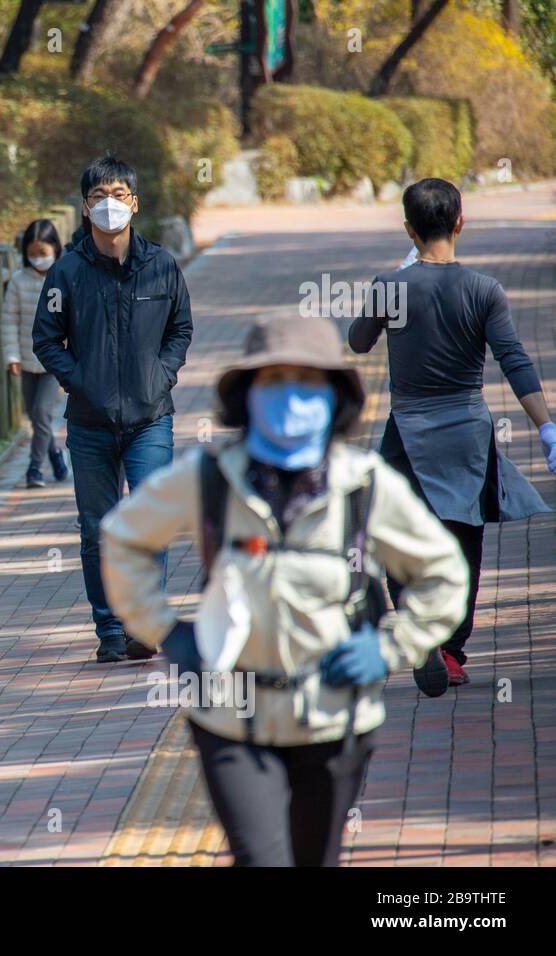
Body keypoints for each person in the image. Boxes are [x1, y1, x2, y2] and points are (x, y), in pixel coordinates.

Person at [100, 314, 469, 867]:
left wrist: (392, 646)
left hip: (334, 718)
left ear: (335, 396)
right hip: (230, 717)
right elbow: (123, 536)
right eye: (273, 382)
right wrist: (164, 631)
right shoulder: (209, 477)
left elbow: (444, 573)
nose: (290, 396)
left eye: (308, 381)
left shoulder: (364, 484)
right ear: (246, 396)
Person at [348, 178, 556, 693]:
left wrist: (389, 287)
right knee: (465, 542)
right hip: (467, 431)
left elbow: (357, 342)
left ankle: (420, 635)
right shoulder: (485, 290)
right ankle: (452, 650)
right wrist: (546, 426)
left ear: (408, 229)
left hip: (408, 432)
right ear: (461, 222)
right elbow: (514, 360)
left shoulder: (391, 286)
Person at [32, 155, 194, 664]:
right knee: (97, 528)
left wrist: (162, 373)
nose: (110, 205)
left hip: (152, 418)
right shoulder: (67, 271)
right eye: (100, 196)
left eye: (119, 195)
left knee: (149, 520)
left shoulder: (162, 265)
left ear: (135, 202)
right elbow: (46, 339)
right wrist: (80, 381)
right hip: (89, 424)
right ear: (85, 207)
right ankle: (108, 629)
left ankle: (144, 623)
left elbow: (181, 329)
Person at [2, 218, 69, 488]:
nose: (37, 258)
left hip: (54, 361)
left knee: (41, 413)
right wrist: (12, 356)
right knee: (36, 416)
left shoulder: (64, 276)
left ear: (55, 249)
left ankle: (34, 468)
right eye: (32, 254)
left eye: (42, 253)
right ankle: (55, 455)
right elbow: (9, 320)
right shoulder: (18, 281)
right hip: (26, 361)